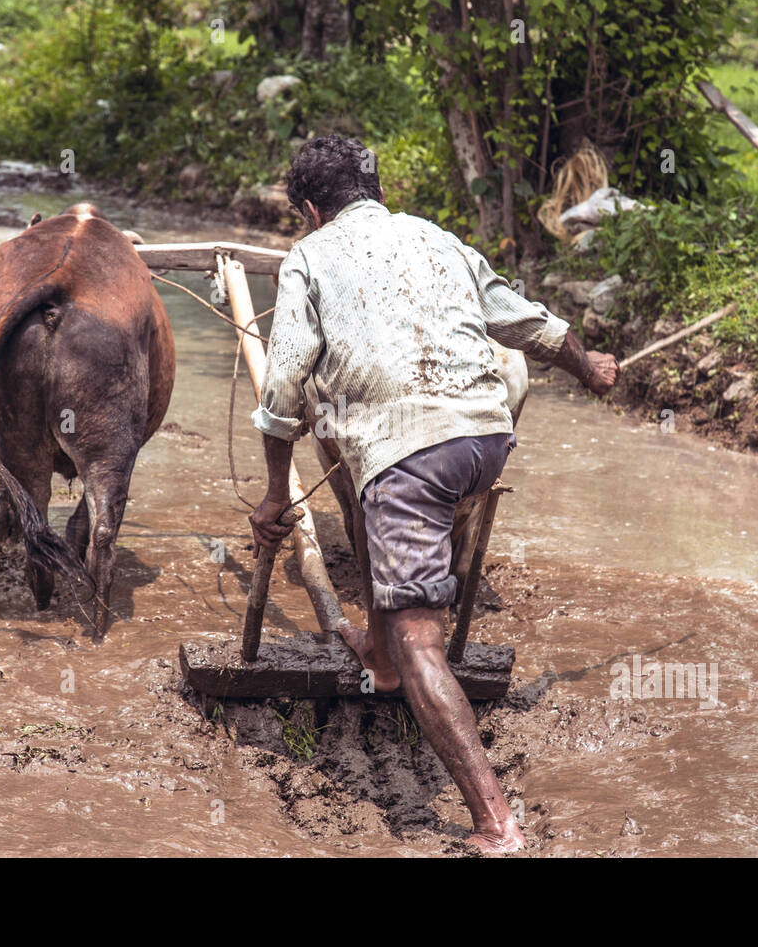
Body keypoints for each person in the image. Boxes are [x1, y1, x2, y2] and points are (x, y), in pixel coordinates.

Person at [248, 134, 618, 853]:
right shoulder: (436, 238)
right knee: (397, 597)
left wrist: (272, 497)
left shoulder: (310, 258)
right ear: (376, 190)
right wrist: (589, 368)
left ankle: (496, 823)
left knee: (423, 637)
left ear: (313, 209)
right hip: (486, 441)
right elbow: (529, 322)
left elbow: (284, 383)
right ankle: (381, 662)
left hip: (409, 456)